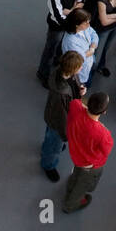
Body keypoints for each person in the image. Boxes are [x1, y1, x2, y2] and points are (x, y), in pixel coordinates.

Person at [63, 91, 113, 213]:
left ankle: (70, 185)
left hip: (75, 155)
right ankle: (70, 205)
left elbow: (77, 102)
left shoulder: (75, 106)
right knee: (82, 185)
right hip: (90, 165)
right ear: (104, 112)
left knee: (76, 173)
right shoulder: (103, 134)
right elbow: (106, 152)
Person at [40, 51, 85, 183]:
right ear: (72, 69)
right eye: (80, 66)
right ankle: (48, 165)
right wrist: (66, 135)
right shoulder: (60, 93)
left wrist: (80, 90)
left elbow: (74, 86)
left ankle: (47, 148)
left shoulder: (63, 72)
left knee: (50, 137)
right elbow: (62, 118)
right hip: (58, 122)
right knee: (54, 145)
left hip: (53, 117)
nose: (82, 68)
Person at [37, 0, 83, 86]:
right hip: (57, 27)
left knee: (61, 47)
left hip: (68, 22)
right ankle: (43, 74)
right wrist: (73, 14)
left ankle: (57, 61)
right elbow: (59, 17)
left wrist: (69, 11)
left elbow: (80, 0)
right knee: (50, 50)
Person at [60, 9, 98, 86]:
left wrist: (92, 47)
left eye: (88, 22)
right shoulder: (70, 42)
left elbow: (93, 33)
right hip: (80, 73)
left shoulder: (84, 28)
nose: (89, 25)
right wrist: (91, 50)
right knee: (82, 87)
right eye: (86, 23)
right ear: (77, 25)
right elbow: (79, 57)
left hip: (90, 62)